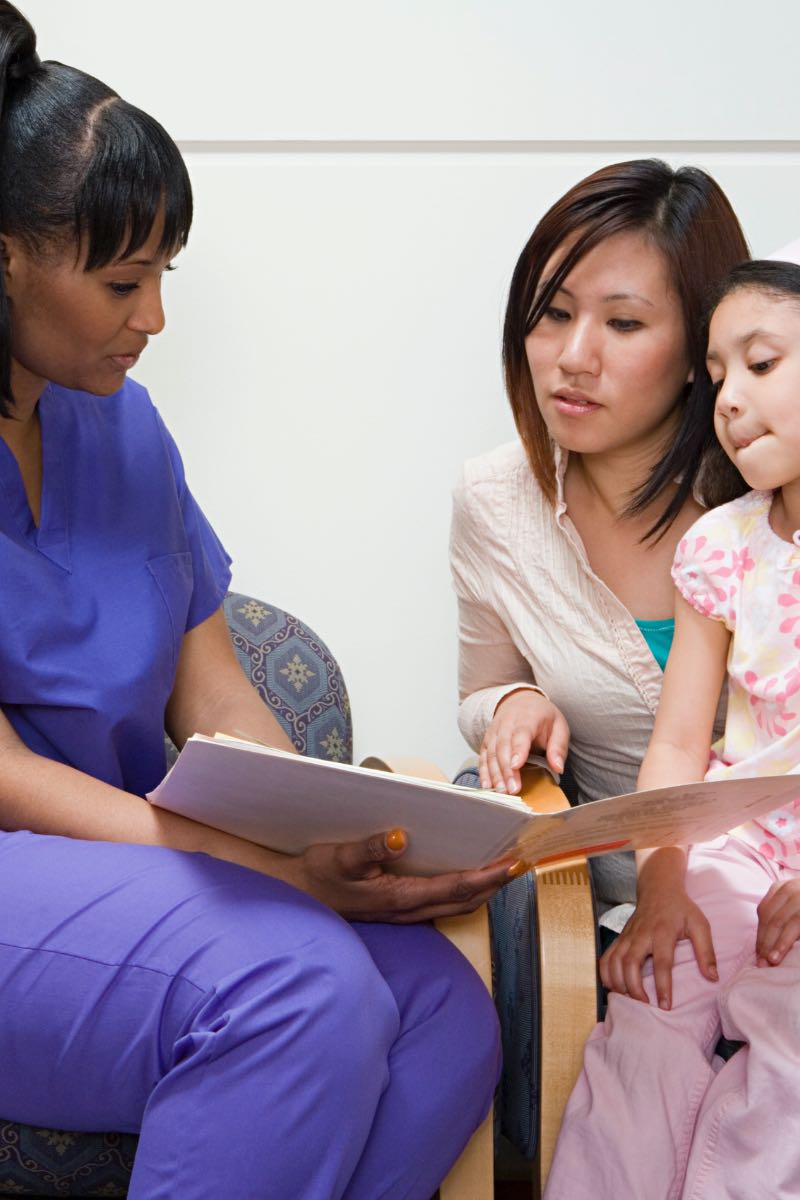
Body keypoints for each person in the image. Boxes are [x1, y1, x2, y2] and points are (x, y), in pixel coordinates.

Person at [0, 5, 516, 1197]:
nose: (155, 319)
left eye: (164, 275)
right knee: (296, 982)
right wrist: (264, 875)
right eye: (125, 279)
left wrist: (315, 821)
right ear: (6, 257)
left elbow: (213, 683)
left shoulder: (122, 424)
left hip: (129, 864)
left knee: (442, 1013)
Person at [449, 159, 751, 1153]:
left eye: (621, 324)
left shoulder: (769, 505)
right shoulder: (495, 499)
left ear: (698, 350)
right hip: (626, 907)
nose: (571, 356)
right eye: (551, 314)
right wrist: (510, 706)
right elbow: (482, 678)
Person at [544, 259, 800, 1199]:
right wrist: (660, 881)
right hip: (739, 842)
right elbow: (678, 744)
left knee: (788, 1027)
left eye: (762, 364)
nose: (731, 398)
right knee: (651, 998)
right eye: (719, 375)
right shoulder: (723, 548)